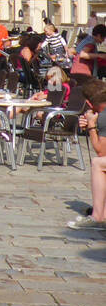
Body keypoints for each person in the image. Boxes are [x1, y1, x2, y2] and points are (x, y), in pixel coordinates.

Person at [68, 80, 106, 229]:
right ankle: (102, 213)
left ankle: (97, 216)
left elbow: (101, 151)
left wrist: (91, 125)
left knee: (98, 163)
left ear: (89, 103)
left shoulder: (103, 116)